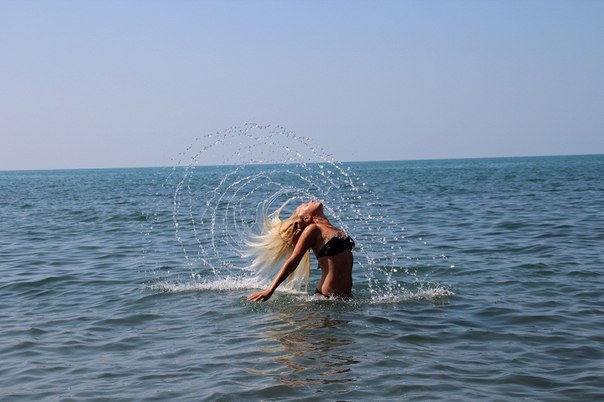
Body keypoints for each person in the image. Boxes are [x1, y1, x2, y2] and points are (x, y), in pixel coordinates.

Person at [246, 200, 354, 302]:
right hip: (324, 300)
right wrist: (270, 290)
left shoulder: (336, 229)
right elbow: (293, 260)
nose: (311, 201)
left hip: (346, 300)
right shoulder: (313, 229)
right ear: (307, 218)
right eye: (306, 205)